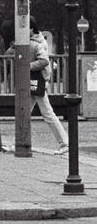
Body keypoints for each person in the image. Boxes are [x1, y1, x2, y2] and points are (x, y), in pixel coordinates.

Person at [30, 18, 67, 154]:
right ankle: (20, 141)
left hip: (37, 81)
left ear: (31, 29)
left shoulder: (38, 43)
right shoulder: (39, 41)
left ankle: (64, 143)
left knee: (46, 113)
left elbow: (44, 61)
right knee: (26, 111)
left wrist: (26, 66)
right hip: (37, 81)